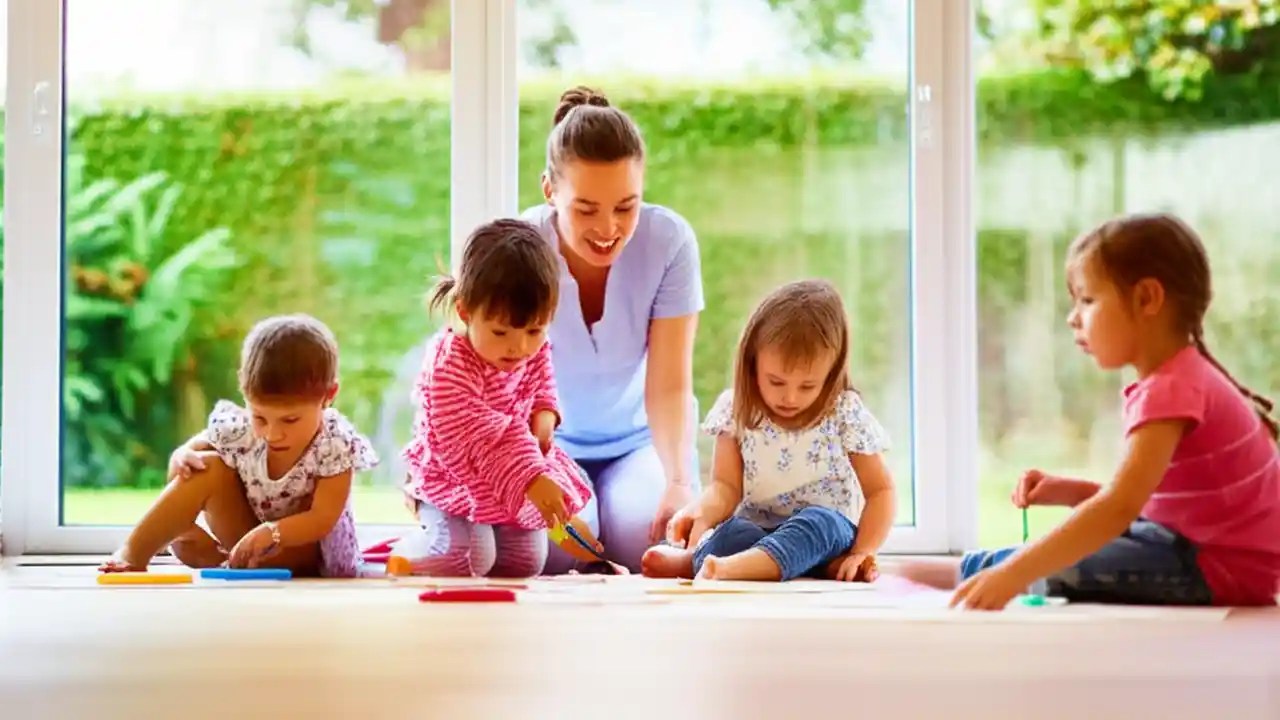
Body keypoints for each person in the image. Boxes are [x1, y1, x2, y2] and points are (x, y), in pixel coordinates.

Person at [890, 212, 1280, 609]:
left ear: (1147, 298)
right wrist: (1070, 492)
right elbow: (1153, 503)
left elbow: (1120, 507)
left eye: (1088, 300)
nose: (1073, 318)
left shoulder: (1172, 389)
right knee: (1046, 554)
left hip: (1213, 568)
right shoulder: (1185, 376)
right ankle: (949, 572)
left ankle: (932, 576)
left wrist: (1013, 574)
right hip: (1201, 552)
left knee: (1047, 562)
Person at [520, 85, 704, 574]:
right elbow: (486, 377)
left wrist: (679, 480)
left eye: (627, 206)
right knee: (558, 547)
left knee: (643, 541)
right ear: (549, 191)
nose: (608, 228)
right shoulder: (518, 246)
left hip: (639, 443)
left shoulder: (669, 242)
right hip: (545, 447)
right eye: (586, 209)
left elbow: (669, 383)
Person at [641, 280, 895, 582]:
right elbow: (726, 488)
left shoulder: (843, 412)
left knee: (817, 523)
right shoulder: (736, 410)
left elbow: (881, 491)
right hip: (757, 532)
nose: (790, 397)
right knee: (735, 531)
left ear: (831, 374)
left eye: (807, 386)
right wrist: (702, 511)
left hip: (825, 535)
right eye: (776, 381)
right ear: (752, 364)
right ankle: (709, 559)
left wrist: (862, 551)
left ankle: (722, 568)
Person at [99, 314, 379, 577]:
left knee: (285, 539)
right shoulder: (239, 429)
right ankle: (133, 553)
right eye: (260, 416)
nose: (272, 434)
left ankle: (213, 554)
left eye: (290, 420)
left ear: (329, 395)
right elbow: (183, 467)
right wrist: (181, 459)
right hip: (246, 536)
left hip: (305, 551)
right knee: (205, 466)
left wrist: (274, 532)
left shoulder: (335, 443)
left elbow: (322, 518)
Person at [398, 218, 600, 578]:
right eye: (500, 331)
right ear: (465, 311)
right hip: (454, 476)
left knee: (525, 562)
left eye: (535, 330)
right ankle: (404, 556)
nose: (519, 346)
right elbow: (481, 434)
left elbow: (542, 378)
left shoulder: (529, 345)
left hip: (509, 479)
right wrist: (530, 476)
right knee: (470, 556)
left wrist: (544, 413)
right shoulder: (450, 365)